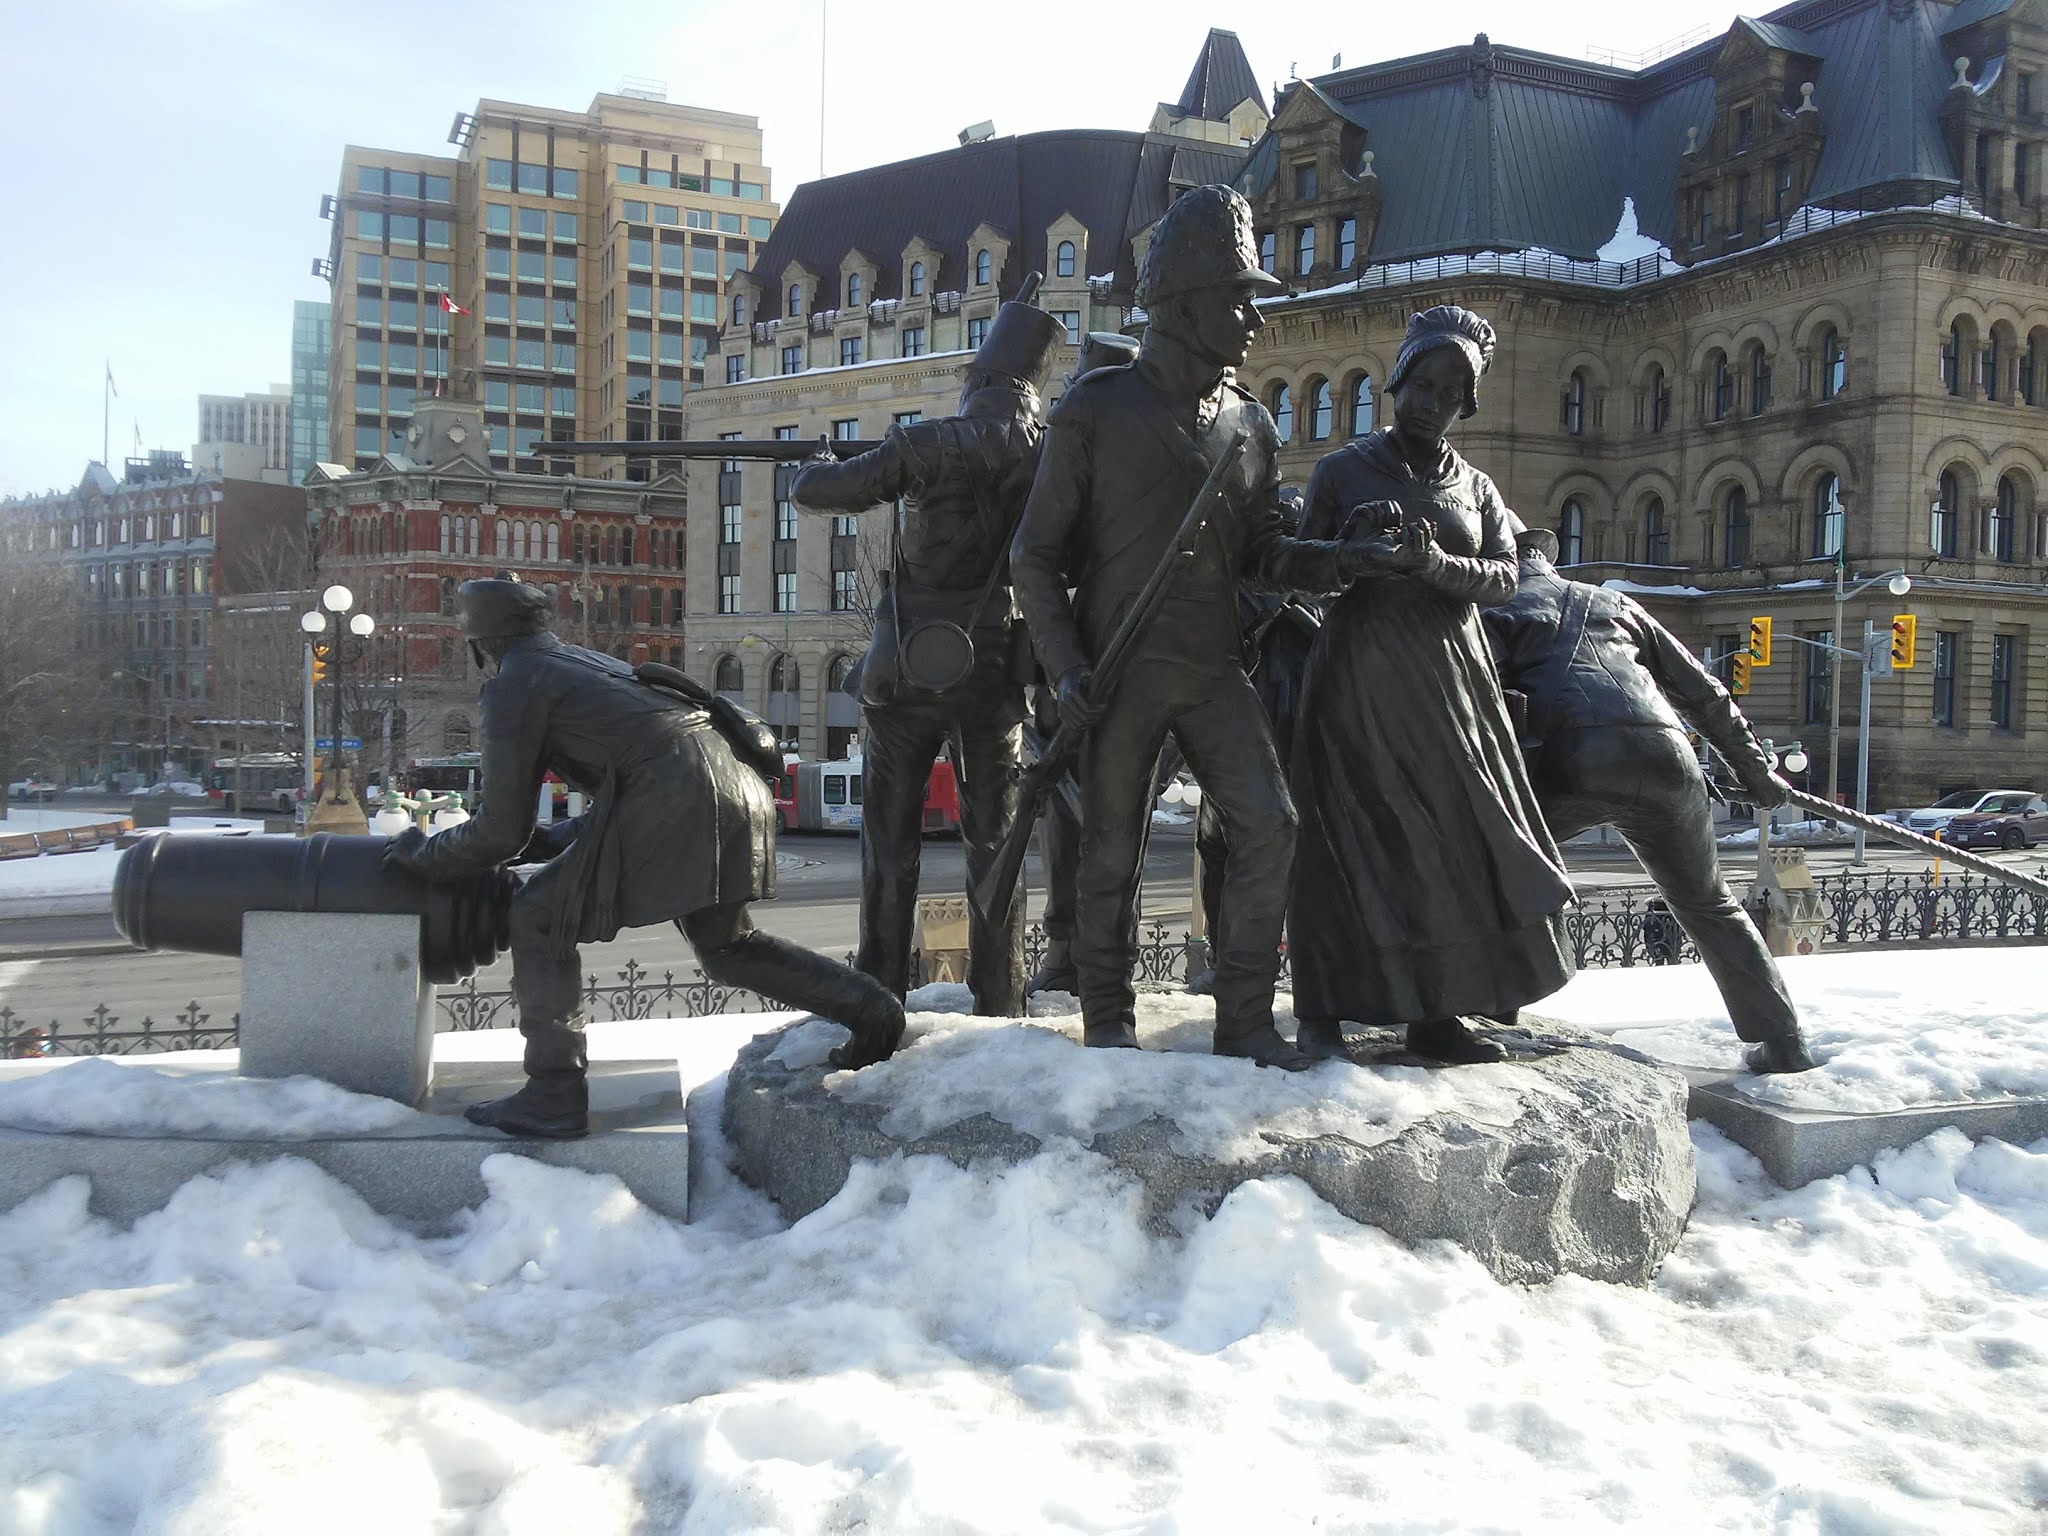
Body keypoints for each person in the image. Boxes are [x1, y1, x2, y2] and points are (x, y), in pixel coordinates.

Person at [1010, 184, 1370, 1068]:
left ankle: (1245, 1019)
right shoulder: (1096, 408)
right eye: (1237, 296)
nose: (1252, 317)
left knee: (1271, 826)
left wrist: (1345, 559)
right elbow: (1033, 558)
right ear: (1182, 301)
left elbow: (1267, 557)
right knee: (1109, 853)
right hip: (1117, 677)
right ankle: (1107, 1018)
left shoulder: (1249, 424)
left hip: (1213, 672)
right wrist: (1064, 669)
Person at [386, 578, 905, 1138]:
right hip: (730, 783)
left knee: (538, 916)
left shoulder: (517, 685)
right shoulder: (576, 662)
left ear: (477, 643)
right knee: (728, 947)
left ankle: (553, 1092)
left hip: (681, 794)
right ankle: (872, 1011)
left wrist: (424, 855)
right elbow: (634, 766)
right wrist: (558, 839)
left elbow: (499, 832)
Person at [1289, 305, 1574, 1065]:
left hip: (1452, 680)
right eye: (1426, 383)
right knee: (1350, 834)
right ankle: (1321, 1007)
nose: (1434, 401)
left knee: (1448, 841)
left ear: (1464, 404)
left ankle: (1437, 1011)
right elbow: (1292, 569)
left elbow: (1509, 576)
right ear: (1400, 380)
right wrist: (1352, 554)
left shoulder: (1476, 487)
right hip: (1361, 676)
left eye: (1452, 392)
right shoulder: (1342, 470)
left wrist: (1433, 567)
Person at [791, 298, 1063, 1018]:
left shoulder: (932, 442)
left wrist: (815, 461)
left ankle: (879, 995)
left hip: (907, 671)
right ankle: (998, 999)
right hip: (997, 673)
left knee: (888, 846)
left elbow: (817, 492)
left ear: (978, 375)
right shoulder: (1057, 453)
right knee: (994, 846)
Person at [1482, 528, 1818, 1073]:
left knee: (1499, 870)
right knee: (1710, 904)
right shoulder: (1614, 602)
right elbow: (1705, 694)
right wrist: (1756, 773)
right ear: (1549, 560)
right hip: (1666, 752)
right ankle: (1784, 1041)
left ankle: (1499, 1009)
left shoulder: (1487, 609)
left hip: (1570, 754)